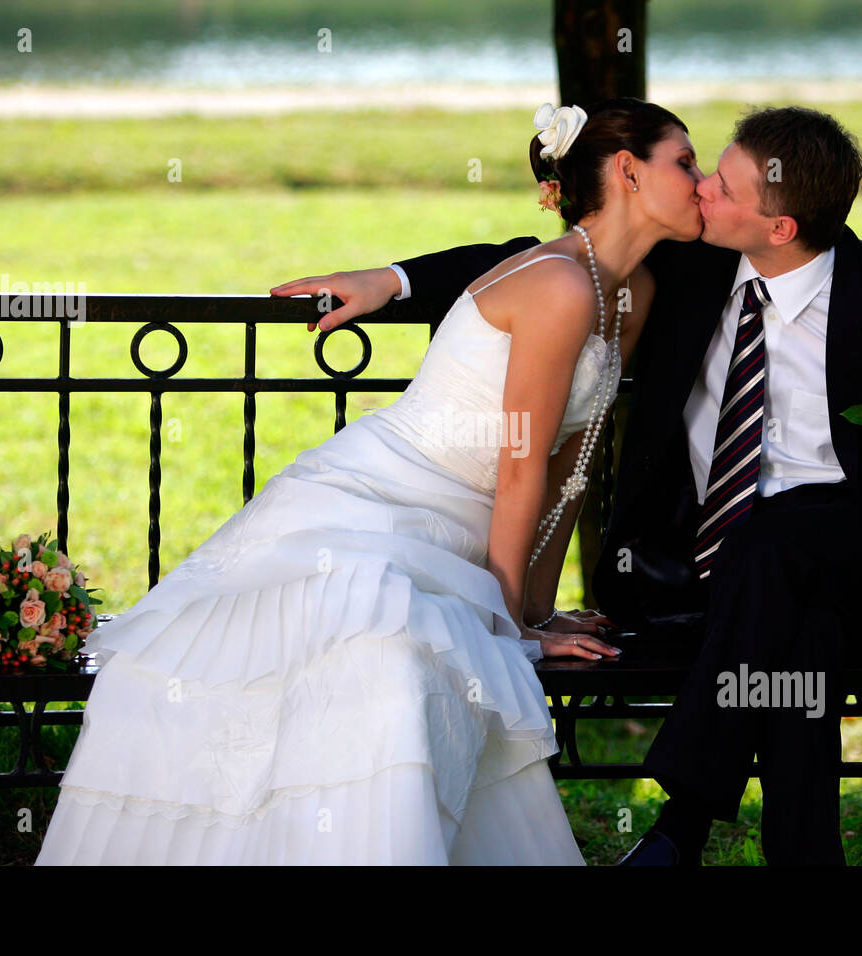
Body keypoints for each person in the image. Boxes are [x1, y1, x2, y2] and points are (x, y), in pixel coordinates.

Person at [286, 105, 862, 865]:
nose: (701, 193)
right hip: (723, 589)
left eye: (722, 188)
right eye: (704, 172)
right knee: (797, 622)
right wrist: (387, 280)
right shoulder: (689, 266)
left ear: (781, 228)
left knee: (779, 538)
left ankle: (683, 822)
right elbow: (547, 257)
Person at [35, 97, 705, 865]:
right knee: (377, 653)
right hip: (384, 503)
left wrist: (535, 612)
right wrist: (509, 624)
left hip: (467, 533)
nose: (701, 179)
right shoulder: (560, 285)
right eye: (684, 162)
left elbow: (567, 473)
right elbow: (521, 465)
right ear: (627, 171)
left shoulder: (633, 291)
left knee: (424, 661)